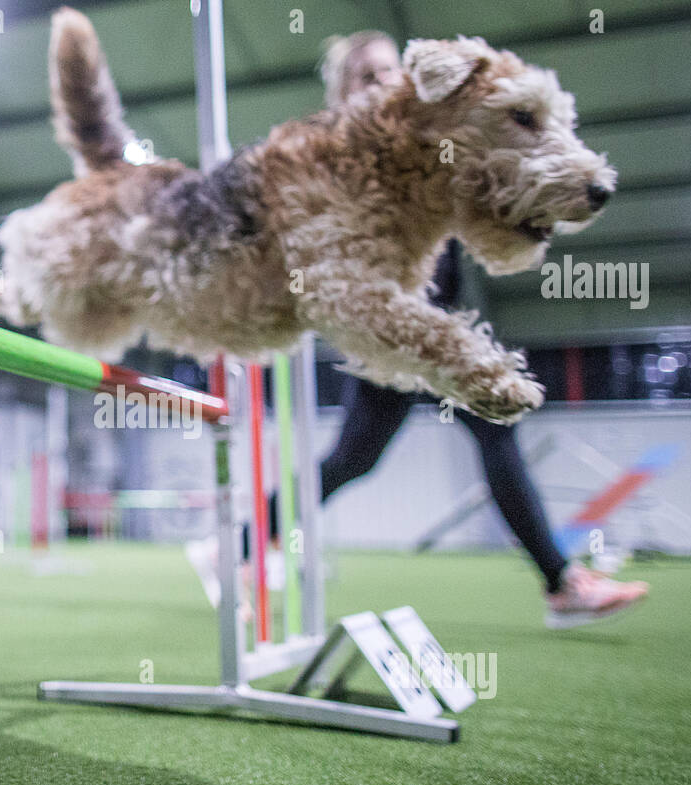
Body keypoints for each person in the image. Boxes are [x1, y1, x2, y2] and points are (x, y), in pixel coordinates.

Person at [191, 31, 647, 629]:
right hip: (389, 323)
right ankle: (560, 582)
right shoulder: (339, 156)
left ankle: (237, 547)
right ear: (343, 91)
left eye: (388, 69)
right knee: (397, 450)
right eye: (368, 75)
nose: (385, 82)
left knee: (369, 457)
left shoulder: (443, 141)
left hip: (436, 312)